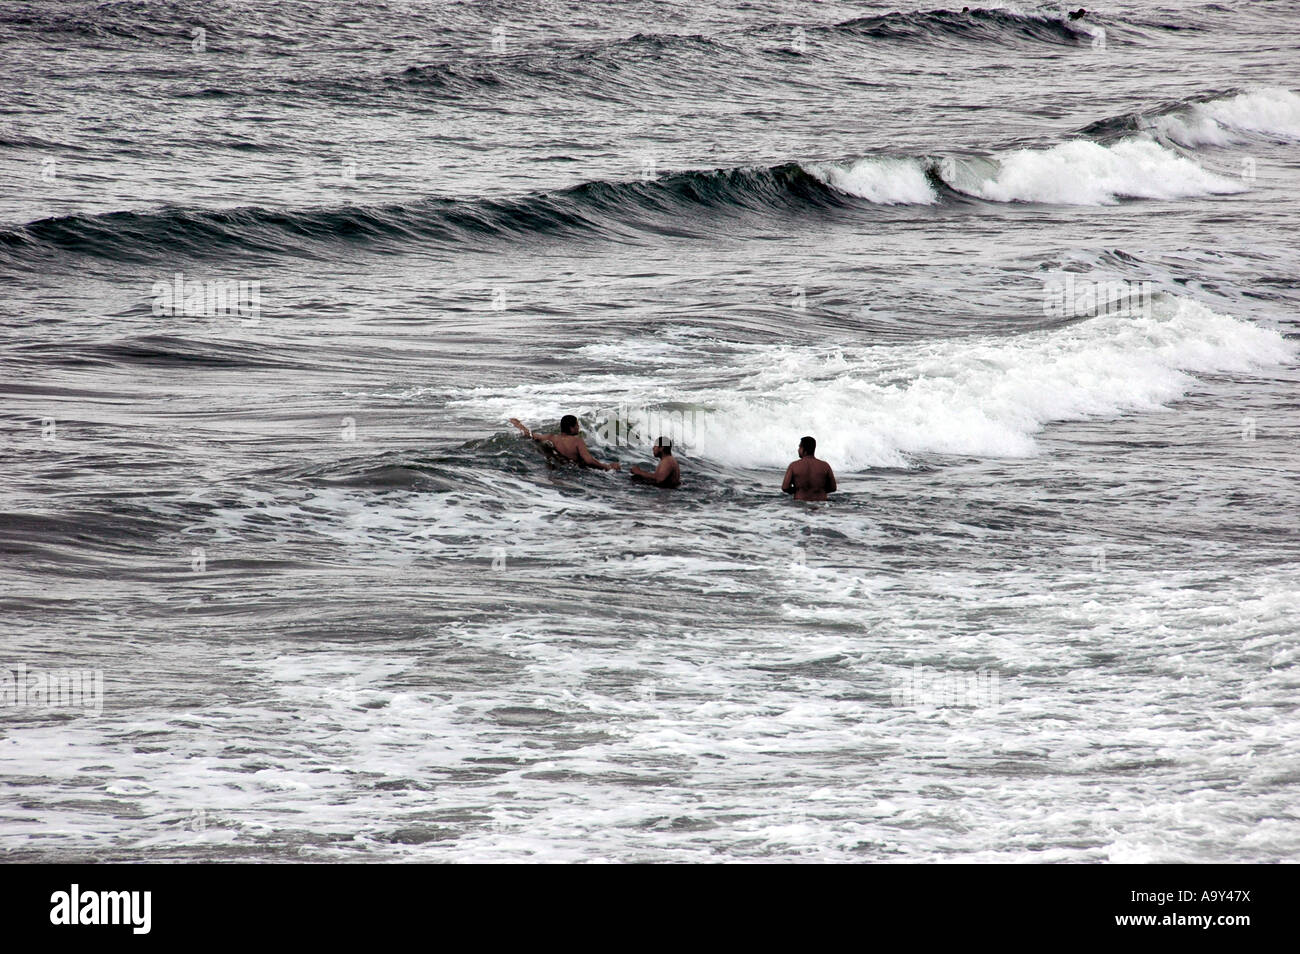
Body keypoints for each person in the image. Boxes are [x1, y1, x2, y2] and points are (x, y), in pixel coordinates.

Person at [509, 415, 620, 471]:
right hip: (575, 471)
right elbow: (588, 460)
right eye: (577, 425)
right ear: (571, 428)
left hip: (557, 469)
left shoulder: (551, 438)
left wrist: (519, 425)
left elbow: (530, 435)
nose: (578, 427)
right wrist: (608, 467)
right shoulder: (577, 441)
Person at [782, 435, 836, 501]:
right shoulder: (825, 466)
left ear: (803, 449)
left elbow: (785, 487)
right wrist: (818, 489)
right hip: (820, 504)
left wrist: (799, 489)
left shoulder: (794, 465)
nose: (798, 450)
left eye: (799, 447)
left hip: (800, 503)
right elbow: (833, 488)